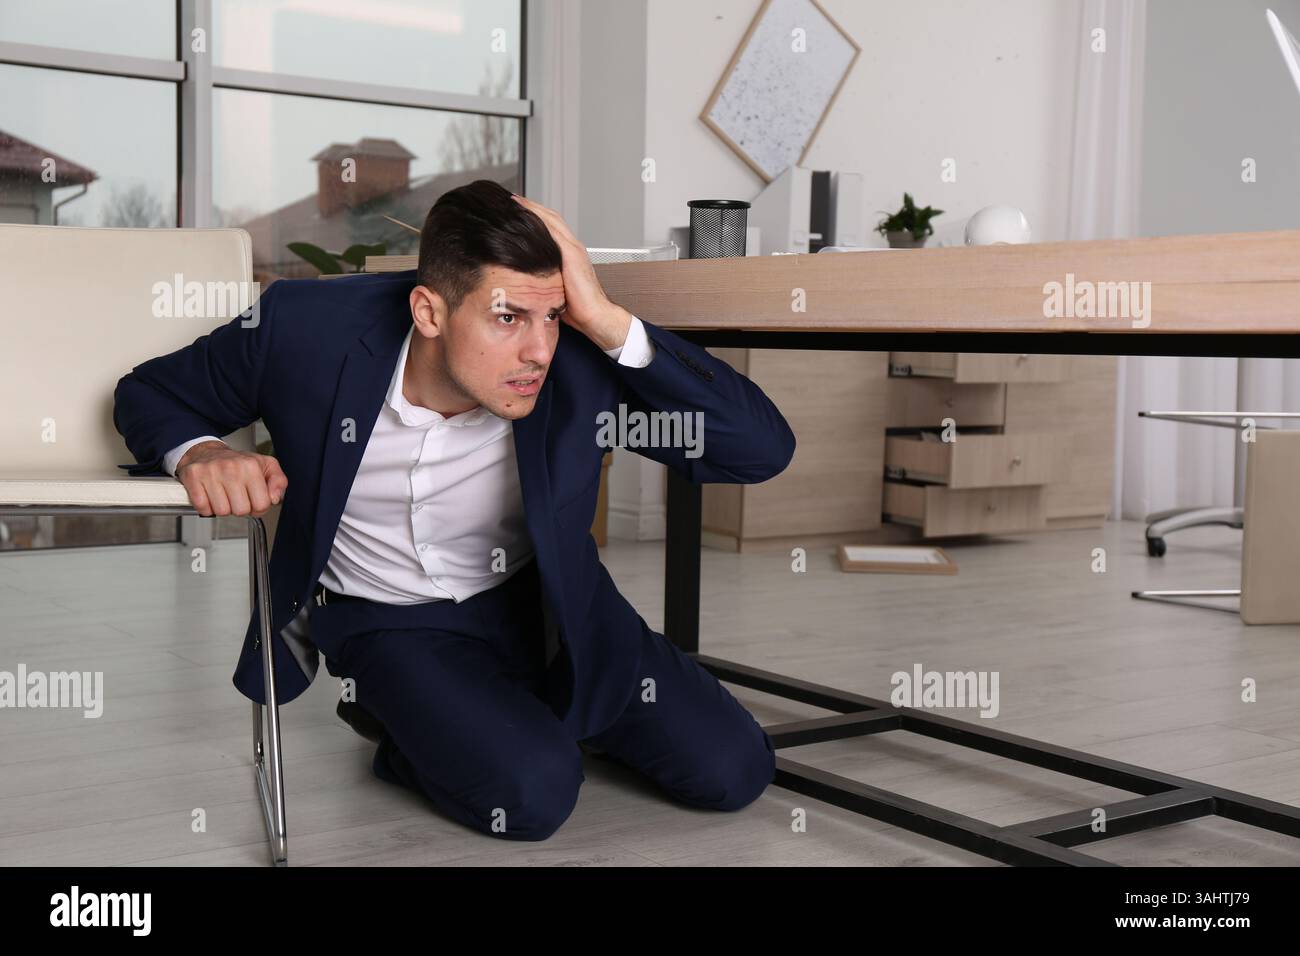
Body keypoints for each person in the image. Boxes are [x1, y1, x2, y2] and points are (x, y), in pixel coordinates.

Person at [113, 179, 796, 840]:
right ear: (430, 312)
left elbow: (759, 452)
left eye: (551, 316)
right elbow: (148, 392)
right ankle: (407, 730)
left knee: (734, 770)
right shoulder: (302, 330)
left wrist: (605, 319)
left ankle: (512, 716)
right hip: (391, 623)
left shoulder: (577, 355)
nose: (537, 350)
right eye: (507, 317)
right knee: (535, 796)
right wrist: (199, 452)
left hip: (548, 607)